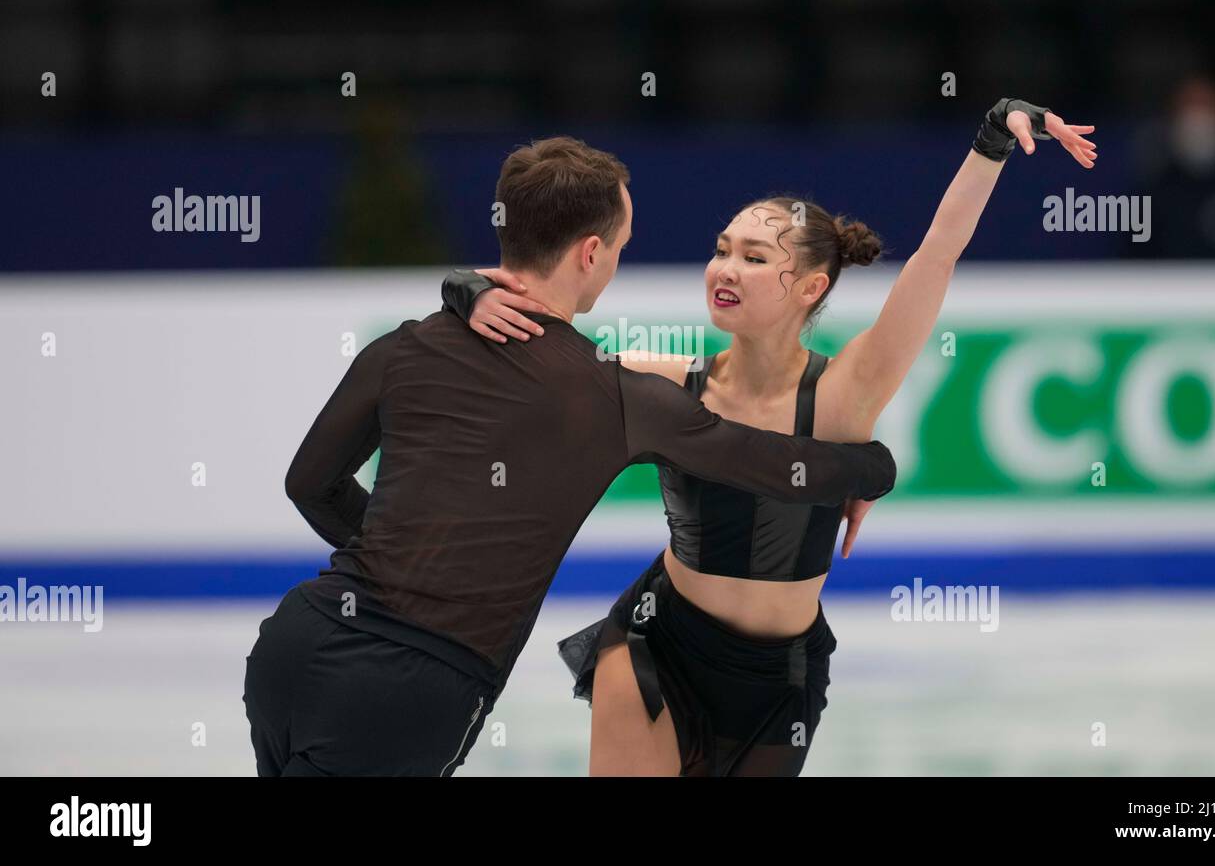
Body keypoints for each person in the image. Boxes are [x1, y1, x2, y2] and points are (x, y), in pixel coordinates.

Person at [441, 99, 1097, 775]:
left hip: (778, 678)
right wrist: (464, 289)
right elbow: (539, 353)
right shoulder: (664, 382)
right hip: (654, 644)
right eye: (721, 249)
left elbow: (938, 254)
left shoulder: (845, 394)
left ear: (811, 287)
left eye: (753, 258)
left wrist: (991, 139)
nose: (725, 269)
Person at [242, 136, 898, 776]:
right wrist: (874, 468)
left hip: (294, 646)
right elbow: (776, 467)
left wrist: (408, 563)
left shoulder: (403, 346)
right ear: (590, 253)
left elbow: (310, 484)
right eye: (618, 248)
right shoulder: (616, 395)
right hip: (412, 684)